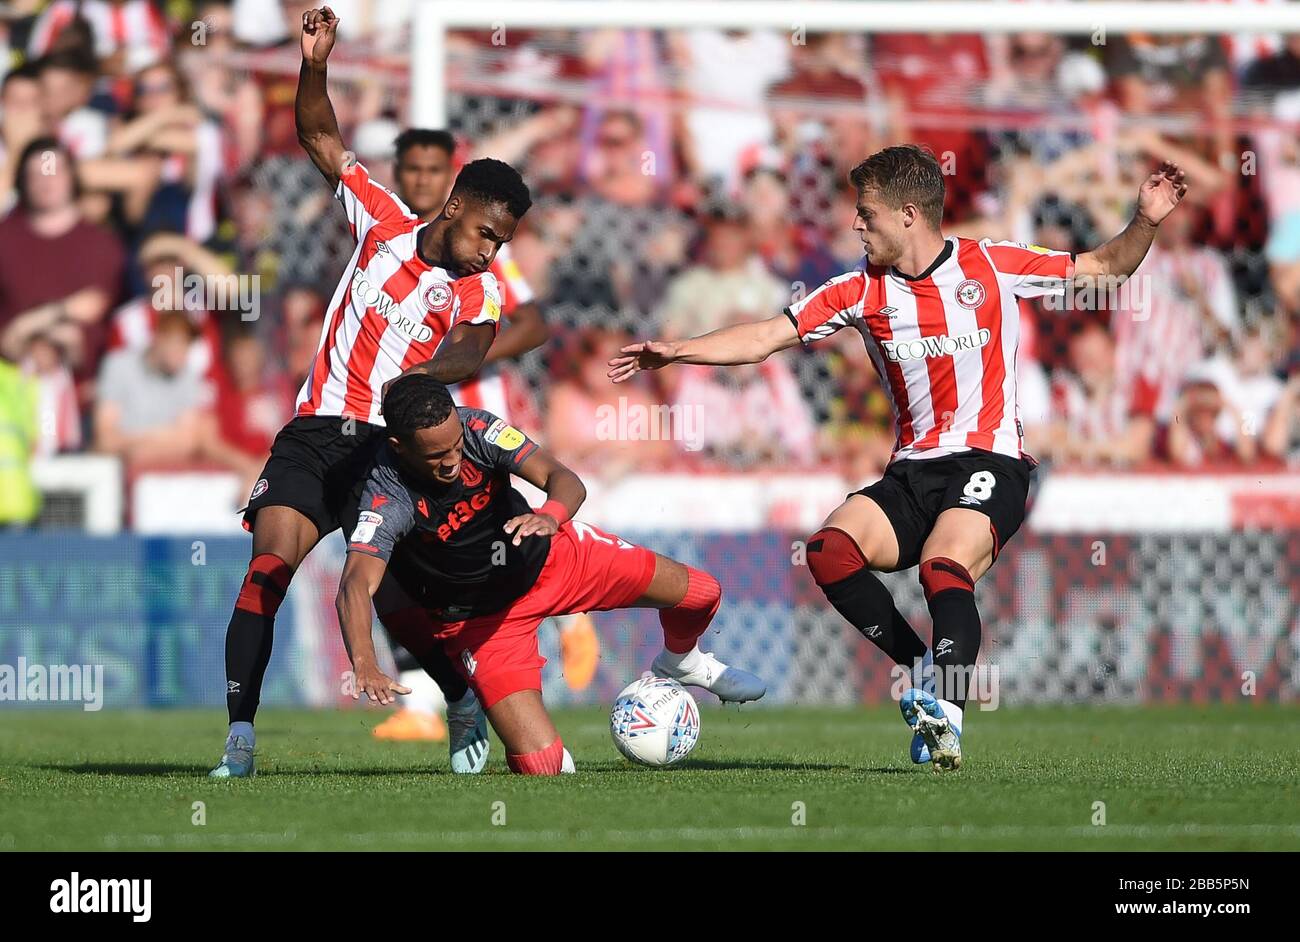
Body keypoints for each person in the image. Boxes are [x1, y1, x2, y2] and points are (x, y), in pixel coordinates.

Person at [610, 144, 1188, 771]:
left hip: (989, 461)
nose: (856, 225)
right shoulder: (857, 289)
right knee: (831, 552)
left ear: (910, 214)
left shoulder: (990, 264)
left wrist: (1147, 221)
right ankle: (921, 670)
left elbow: (1104, 266)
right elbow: (765, 336)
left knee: (943, 564)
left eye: (867, 214)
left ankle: (950, 712)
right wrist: (678, 351)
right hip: (912, 470)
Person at [209, 6, 531, 779]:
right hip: (315, 432)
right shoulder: (382, 221)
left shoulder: (471, 290)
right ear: (454, 208)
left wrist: (425, 378)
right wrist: (315, 65)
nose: (491, 252)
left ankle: (456, 694)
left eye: (503, 243)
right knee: (265, 574)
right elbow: (322, 140)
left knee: (394, 600)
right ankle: (241, 739)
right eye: (487, 233)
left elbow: (477, 345)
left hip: (390, 452)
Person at [336, 375, 767, 775]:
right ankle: (466, 702)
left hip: (554, 559)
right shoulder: (385, 496)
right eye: (436, 456)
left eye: (455, 447)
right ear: (398, 446)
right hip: (484, 622)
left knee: (702, 593)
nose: (452, 461)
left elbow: (564, 478)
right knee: (540, 765)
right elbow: (356, 584)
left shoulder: (479, 430)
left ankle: (682, 662)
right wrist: (364, 660)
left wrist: (550, 515)